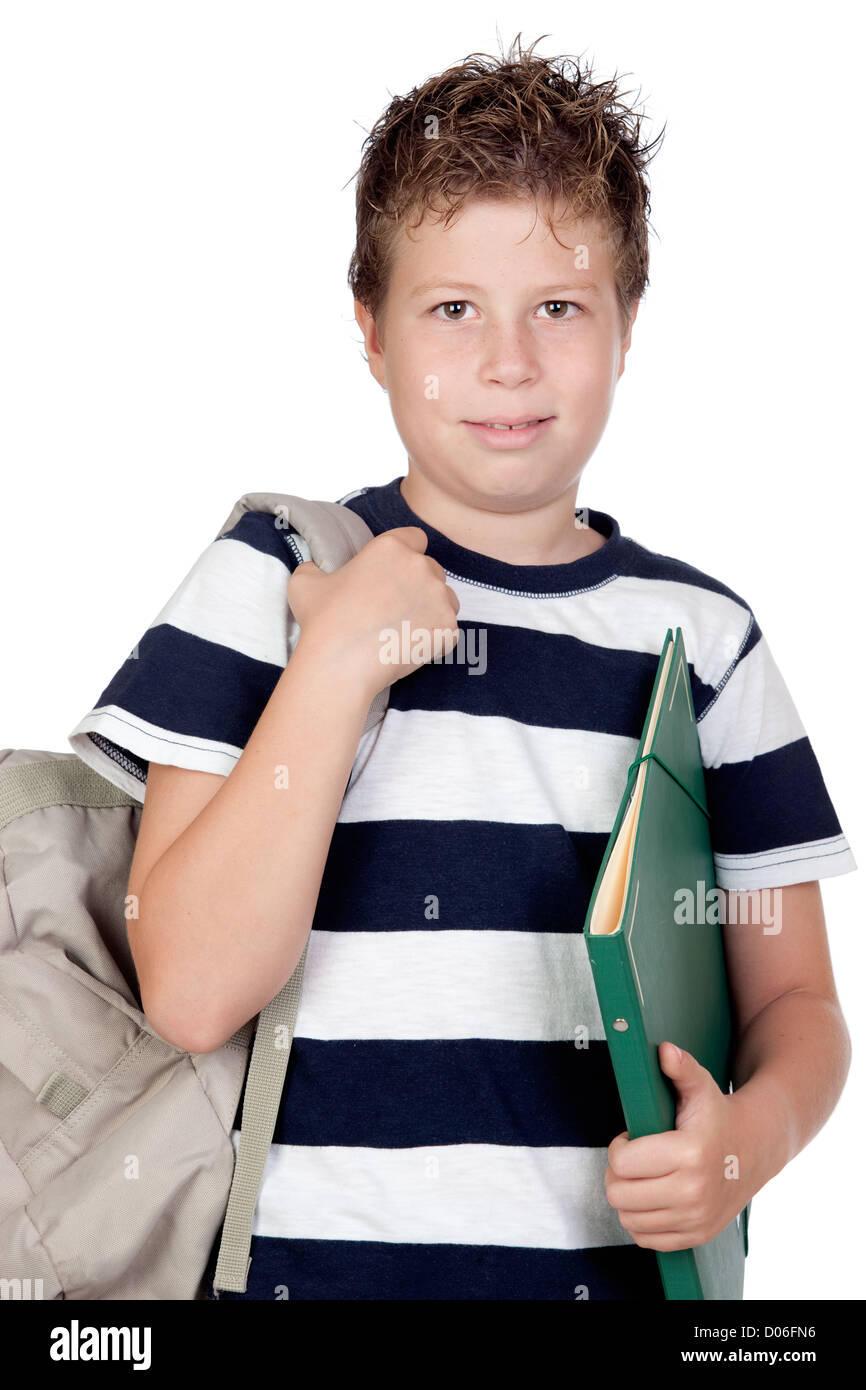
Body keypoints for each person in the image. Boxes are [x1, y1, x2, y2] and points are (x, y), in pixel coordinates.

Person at [68, 35, 855, 1300]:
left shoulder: (707, 640)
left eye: (558, 306)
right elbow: (193, 989)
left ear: (626, 324)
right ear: (371, 332)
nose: (507, 363)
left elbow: (798, 1005)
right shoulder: (270, 578)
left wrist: (744, 1147)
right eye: (451, 310)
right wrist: (333, 665)